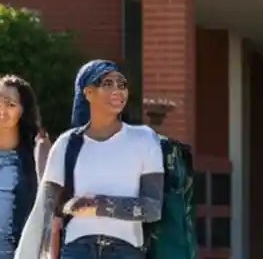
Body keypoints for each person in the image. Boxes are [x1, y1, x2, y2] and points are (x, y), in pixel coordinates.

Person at [16, 60, 164, 259]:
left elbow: (152, 208)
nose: (117, 90)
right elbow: (45, 209)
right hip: (77, 249)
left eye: (122, 85)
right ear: (88, 93)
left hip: (126, 250)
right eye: (107, 84)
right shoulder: (67, 143)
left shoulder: (144, 139)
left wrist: (97, 205)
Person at [0, 76, 47, 259]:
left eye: (10, 105)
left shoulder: (37, 151)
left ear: (22, 111)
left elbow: (47, 204)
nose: (2, 110)